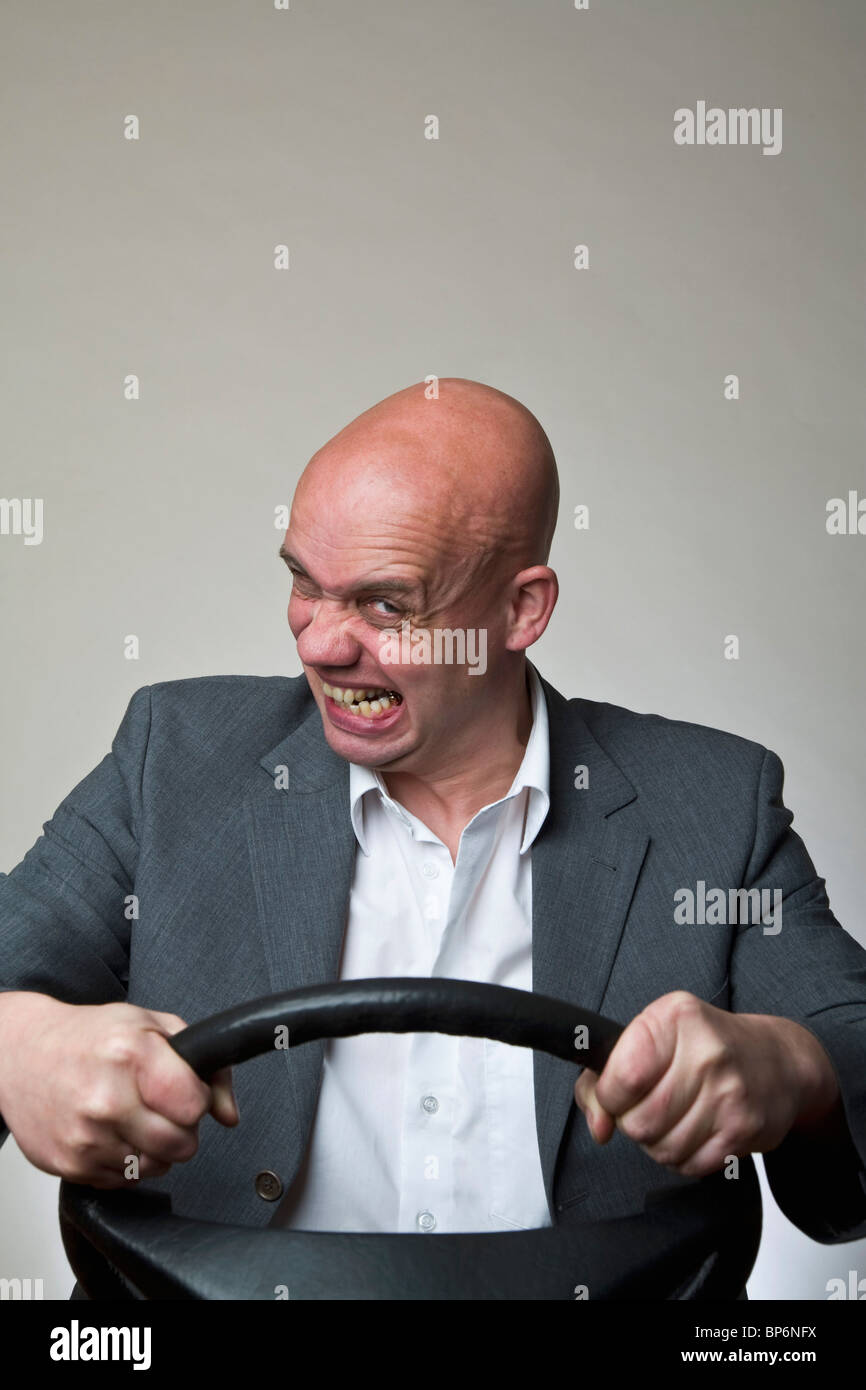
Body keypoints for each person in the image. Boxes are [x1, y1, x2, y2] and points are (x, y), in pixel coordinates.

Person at [0, 379, 864, 1300]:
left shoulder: (713, 802)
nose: (322, 644)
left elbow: (848, 1039)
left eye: (384, 606)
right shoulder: (173, 758)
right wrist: (18, 1045)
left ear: (521, 610)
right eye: (302, 582)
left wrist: (792, 1067)